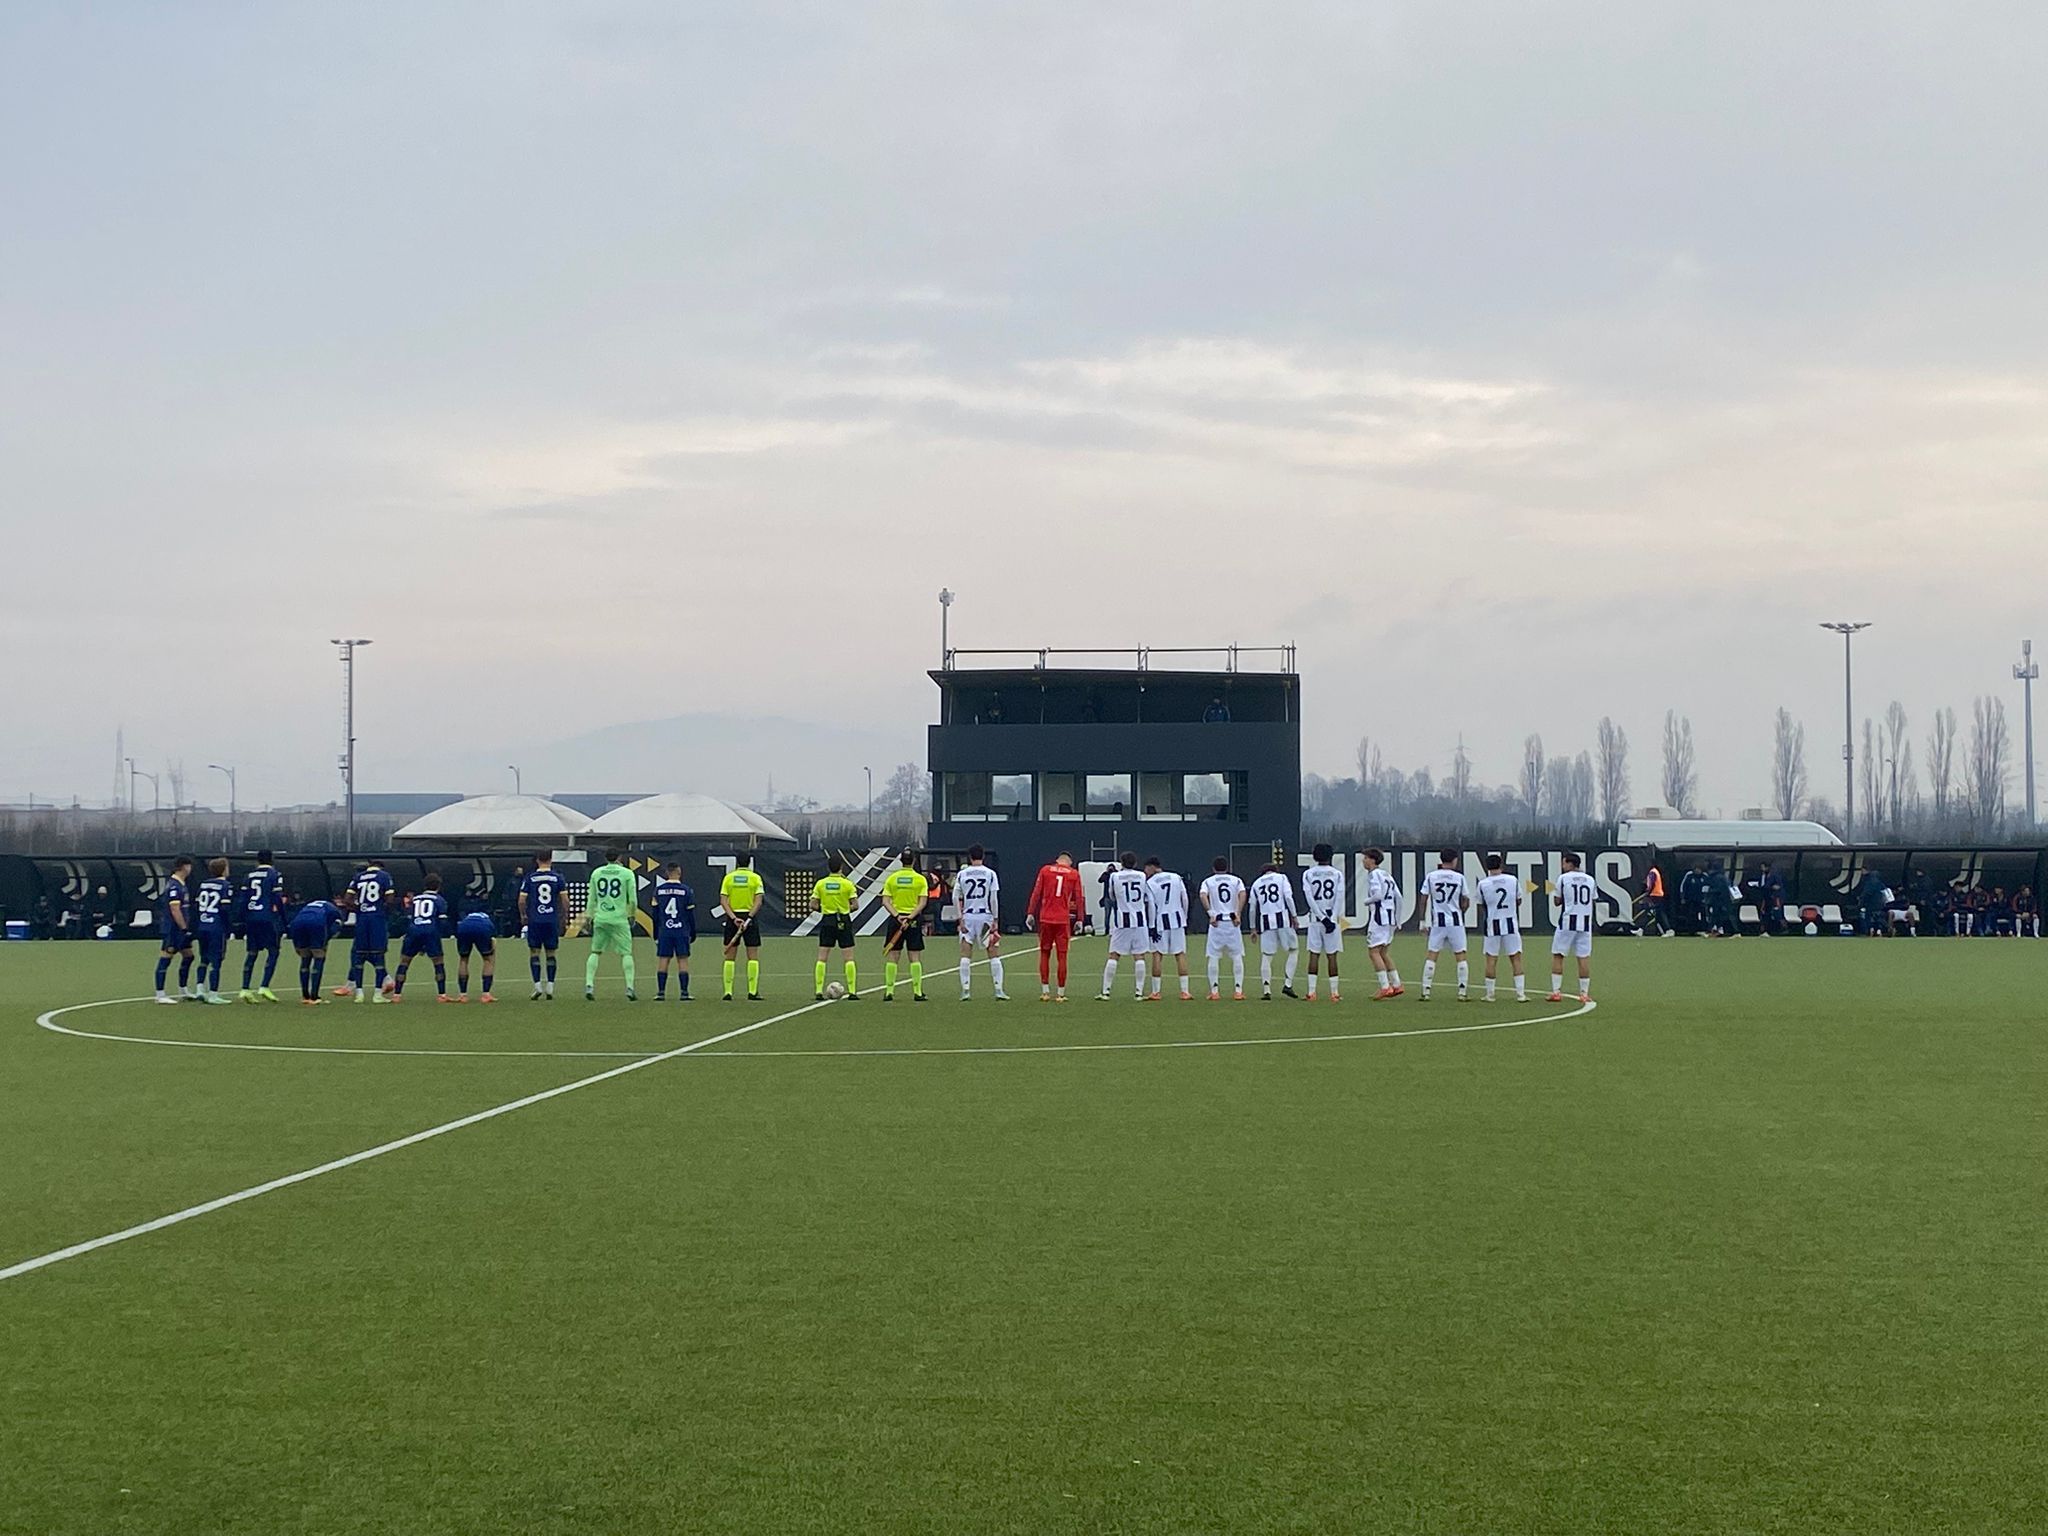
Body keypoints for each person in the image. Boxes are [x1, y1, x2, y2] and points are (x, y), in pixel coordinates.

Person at [1025, 851, 1084, 1002]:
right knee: (1062, 956)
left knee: (1044, 953)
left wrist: (1030, 913)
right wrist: (1080, 919)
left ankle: (1045, 992)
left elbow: (1036, 893)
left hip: (1046, 918)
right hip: (1062, 919)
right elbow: (1078, 897)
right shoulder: (1074, 874)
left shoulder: (1045, 870)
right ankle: (1060, 993)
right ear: (1069, 861)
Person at [386, 873, 453, 1001]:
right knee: (438, 962)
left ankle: (397, 995)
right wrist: (444, 933)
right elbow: (443, 921)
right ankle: (442, 995)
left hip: (414, 930)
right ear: (438, 886)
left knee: (404, 962)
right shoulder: (440, 900)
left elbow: (409, 916)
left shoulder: (415, 899)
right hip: (430, 930)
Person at [584, 847, 640, 1001]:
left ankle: (589, 984)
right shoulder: (627, 873)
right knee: (626, 953)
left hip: (601, 917)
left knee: (595, 951)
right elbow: (633, 899)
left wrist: (589, 916)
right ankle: (629, 987)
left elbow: (592, 898)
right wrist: (632, 914)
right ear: (619, 857)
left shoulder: (596, 873)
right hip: (619, 918)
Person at [1098, 853, 1155, 1000]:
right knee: (1139, 956)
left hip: (1122, 920)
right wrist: (1152, 923)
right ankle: (1139, 992)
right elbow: (1149, 898)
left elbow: (1111, 895)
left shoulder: (1115, 877)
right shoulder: (1142, 876)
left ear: (1122, 863)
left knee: (1114, 954)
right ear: (1135, 863)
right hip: (1140, 921)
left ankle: (1106, 991)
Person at [339, 858, 396, 1001]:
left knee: (359, 954)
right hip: (377, 919)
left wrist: (358, 909)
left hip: (362, 919)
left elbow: (347, 900)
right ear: (381, 867)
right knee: (378, 954)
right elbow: (390, 899)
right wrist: (382, 911)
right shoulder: (384, 876)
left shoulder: (358, 877)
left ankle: (359, 994)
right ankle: (378, 994)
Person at [953, 845, 1005, 1000]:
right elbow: (993, 898)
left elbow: (955, 897)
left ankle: (966, 991)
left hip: (968, 917)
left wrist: (959, 918)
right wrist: (995, 919)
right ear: (983, 856)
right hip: (985, 917)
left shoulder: (962, 874)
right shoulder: (990, 874)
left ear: (970, 857)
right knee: (993, 953)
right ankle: (998, 990)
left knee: (965, 953)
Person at [1418, 850, 1470, 1002]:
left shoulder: (1431, 876)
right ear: (1454, 860)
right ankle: (1462, 991)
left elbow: (1423, 899)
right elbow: (1466, 900)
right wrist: (1461, 911)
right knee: (1460, 955)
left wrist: (1422, 921)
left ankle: (1426, 990)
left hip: (1438, 922)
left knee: (1432, 954)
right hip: (1455, 921)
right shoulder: (1459, 877)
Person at [879, 849, 930, 1001]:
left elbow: (885, 901)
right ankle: (917, 992)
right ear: (913, 861)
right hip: (912, 920)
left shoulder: (892, 879)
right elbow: (922, 902)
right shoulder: (920, 879)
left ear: (901, 860)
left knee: (893, 956)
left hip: (896, 920)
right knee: (914, 956)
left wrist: (897, 916)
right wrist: (910, 917)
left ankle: (889, 991)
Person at [1474, 853, 1526, 1003]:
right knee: (1515, 958)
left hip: (1492, 924)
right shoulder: (1512, 880)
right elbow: (1519, 900)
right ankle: (1520, 994)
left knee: (1491, 959)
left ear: (1487, 867)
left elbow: (1481, 905)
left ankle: (1490, 995)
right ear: (1501, 865)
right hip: (1510, 923)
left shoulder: (1483, 884)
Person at [237, 850, 287, 1003]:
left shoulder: (249, 876)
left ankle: (245, 988)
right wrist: (284, 919)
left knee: (252, 953)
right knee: (273, 951)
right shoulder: (275, 875)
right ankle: (264, 986)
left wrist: (241, 919)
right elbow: (277, 898)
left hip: (251, 918)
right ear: (272, 859)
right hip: (267, 918)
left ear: (257, 861)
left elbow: (242, 900)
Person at [718, 852, 767, 1001]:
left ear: (737, 863)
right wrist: (749, 918)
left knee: (729, 957)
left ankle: (728, 992)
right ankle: (752, 992)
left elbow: (723, 901)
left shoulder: (729, 878)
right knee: (752, 956)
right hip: (749, 918)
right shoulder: (755, 878)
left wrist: (733, 918)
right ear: (749, 862)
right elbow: (758, 901)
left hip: (733, 918)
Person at [811, 854, 861, 1001]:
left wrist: (825, 909)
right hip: (843, 920)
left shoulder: (821, 884)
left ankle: (818, 991)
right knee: (849, 958)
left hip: (828, 920)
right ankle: (852, 991)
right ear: (841, 867)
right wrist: (846, 909)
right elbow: (855, 905)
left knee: (822, 957)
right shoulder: (847, 884)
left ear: (828, 867)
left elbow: (813, 904)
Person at [1300, 842, 1345, 1003]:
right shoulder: (1337, 874)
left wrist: (1322, 918)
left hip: (1315, 919)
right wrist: (1331, 919)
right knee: (1332, 956)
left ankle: (1311, 992)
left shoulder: (1308, 874)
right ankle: (1334, 993)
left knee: (1314, 954)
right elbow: (1339, 897)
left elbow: (1309, 898)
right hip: (1331, 920)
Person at [1247, 863, 1300, 1000]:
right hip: (1282, 919)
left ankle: (1266, 990)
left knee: (1267, 956)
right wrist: (1294, 916)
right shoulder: (1282, 878)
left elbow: (1252, 908)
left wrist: (1253, 928)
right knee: (1293, 950)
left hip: (1265, 922)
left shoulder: (1256, 883)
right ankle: (1288, 984)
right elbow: (1288, 897)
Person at [1550, 852, 1598, 1001]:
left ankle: (1556, 992)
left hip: (1567, 921)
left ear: (1570, 864)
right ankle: (1584, 994)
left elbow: (1557, 901)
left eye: (1564, 863)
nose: (1563, 866)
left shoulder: (1563, 878)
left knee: (1558, 955)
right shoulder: (1590, 879)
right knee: (1583, 957)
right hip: (1584, 922)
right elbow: (1593, 899)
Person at [1142, 856, 1192, 1001]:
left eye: (1146, 868)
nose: (1145, 872)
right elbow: (1185, 898)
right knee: (1180, 954)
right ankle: (1185, 991)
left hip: (1160, 922)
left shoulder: (1150, 883)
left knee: (1157, 954)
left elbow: (1151, 905)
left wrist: (1152, 926)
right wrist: (1184, 917)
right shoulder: (1176, 877)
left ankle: (1156, 992)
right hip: (1177, 920)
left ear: (1151, 867)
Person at [1198, 857, 1247, 1001]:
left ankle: (1214, 991)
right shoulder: (1236, 880)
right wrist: (1238, 913)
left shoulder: (1208, 881)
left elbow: (1202, 895)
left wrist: (1210, 913)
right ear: (1227, 867)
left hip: (1216, 922)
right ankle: (1238, 990)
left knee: (1213, 956)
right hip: (1232, 922)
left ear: (1213, 868)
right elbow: (1243, 893)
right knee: (1237, 956)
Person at [519, 852, 567, 999]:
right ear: (551, 860)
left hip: (535, 919)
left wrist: (523, 915)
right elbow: (565, 900)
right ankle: (551, 986)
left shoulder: (530, 878)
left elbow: (521, 900)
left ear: (538, 860)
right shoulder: (557, 878)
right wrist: (564, 917)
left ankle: (538, 986)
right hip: (551, 919)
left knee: (535, 953)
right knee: (551, 953)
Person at [287, 894, 348, 1004]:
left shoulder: (309, 905)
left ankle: (305, 996)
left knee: (305, 958)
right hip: (316, 923)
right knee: (319, 956)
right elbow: (336, 927)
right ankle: (314, 996)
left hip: (297, 924)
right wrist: (324, 941)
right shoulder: (334, 910)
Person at [152, 857, 196, 1004]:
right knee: (166, 958)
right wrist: (183, 928)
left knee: (189, 956)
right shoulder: (174, 885)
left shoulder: (182, 884)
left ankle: (183, 989)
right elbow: (174, 909)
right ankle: (160, 994)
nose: (190, 868)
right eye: (189, 865)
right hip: (173, 929)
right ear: (184, 867)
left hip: (181, 929)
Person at [1361, 848, 1403, 998]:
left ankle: (1385, 987)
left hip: (1379, 917)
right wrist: (1398, 919)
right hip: (1390, 918)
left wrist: (1367, 901)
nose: (1363, 861)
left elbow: (1377, 895)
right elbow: (1399, 897)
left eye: (1365, 858)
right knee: (1384, 952)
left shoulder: (1373, 875)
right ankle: (1397, 984)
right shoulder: (1387, 875)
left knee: (1373, 952)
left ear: (1372, 859)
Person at [193, 857, 235, 1003]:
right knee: (216, 961)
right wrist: (228, 927)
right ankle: (213, 994)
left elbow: (197, 905)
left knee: (203, 959)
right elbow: (224, 908)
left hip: (202, 925)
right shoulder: (225, 885)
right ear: (223, 869)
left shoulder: (203, 884)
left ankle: (199, 989)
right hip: (216, 927)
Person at [652, 863, 696, 1001]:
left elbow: (655, 914)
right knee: (682, 959)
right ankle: (684, 992)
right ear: (679, 872)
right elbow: (690, 915)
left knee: (664, 959)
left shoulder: (658, 891)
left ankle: (661, 992)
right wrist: (693, 931)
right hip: (681, 930)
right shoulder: (686, 890)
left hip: (665, 930)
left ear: (667, 873)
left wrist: (656, 932)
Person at [453, 901, 498, 1003]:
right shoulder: (487, 918)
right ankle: (485, 994)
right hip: (482, 929)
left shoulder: (467, 917)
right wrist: (493, 951)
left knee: (463, 959)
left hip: (463, 928)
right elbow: (493, 938)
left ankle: (463, 995)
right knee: (488, 959)